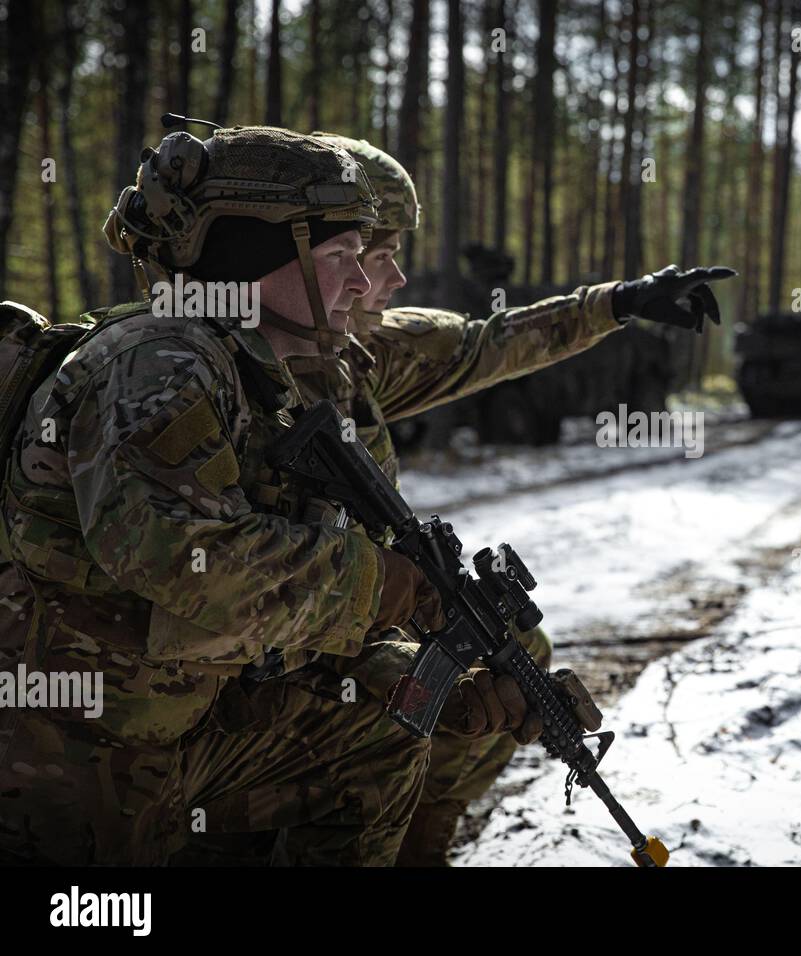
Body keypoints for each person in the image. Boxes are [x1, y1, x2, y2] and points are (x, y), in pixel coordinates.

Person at [0, 125, 461, 865]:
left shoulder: (253, 370)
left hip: (178, 725)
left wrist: (387, 662)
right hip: (67, 758)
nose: (364, 282)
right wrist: (380, 584)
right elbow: (185, 559)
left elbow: (264, 604)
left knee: (376, 739)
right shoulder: (161, 360)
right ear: (253, 256)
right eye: (341, 255)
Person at [275, 133, 736, 865]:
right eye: (374, 253)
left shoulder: (357, 354)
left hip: (326, 623)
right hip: (268, 653)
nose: (393, 279)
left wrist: (618, 302)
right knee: (422, 711)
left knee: (516, 664)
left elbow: (490, 343)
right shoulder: (227, 365)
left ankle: (422, 847)